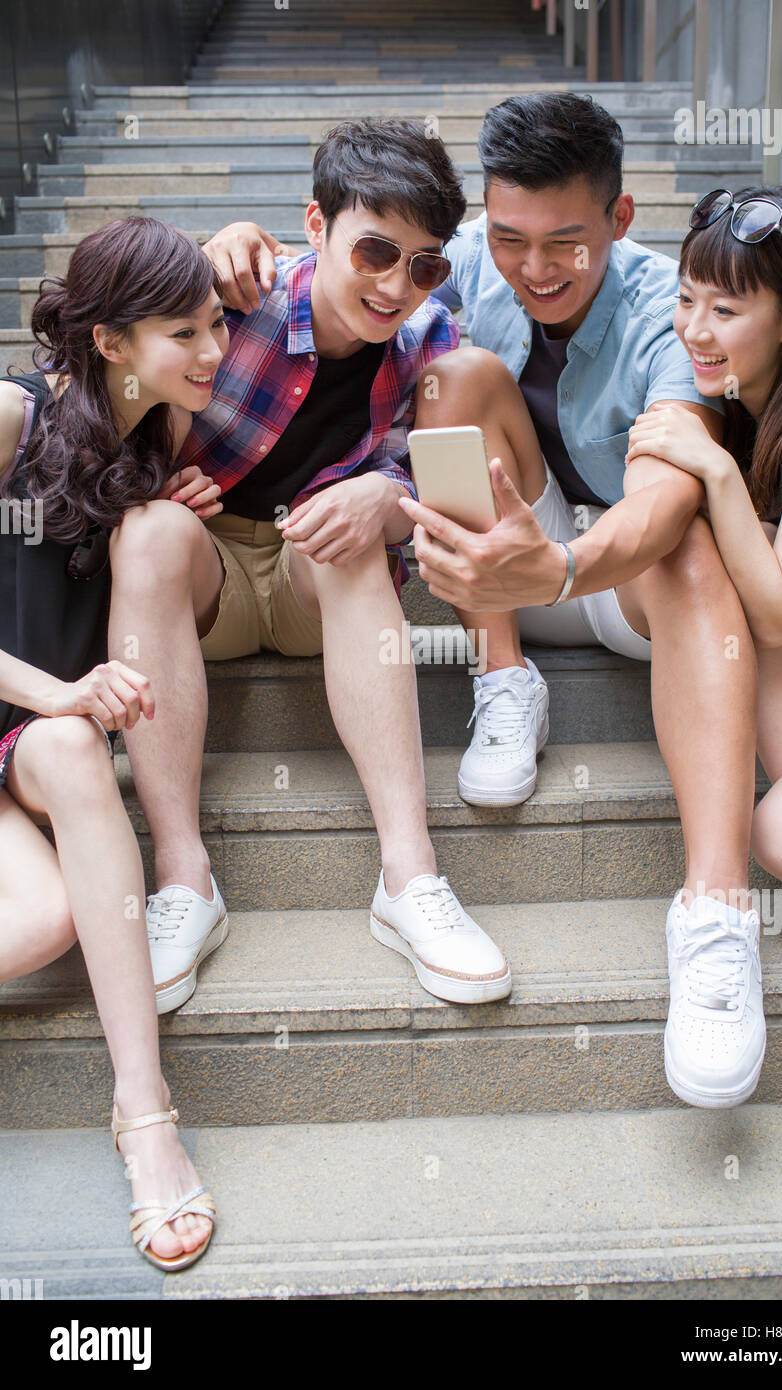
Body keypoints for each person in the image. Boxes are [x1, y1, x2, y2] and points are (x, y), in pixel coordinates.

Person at [199, 95, 767, 1111]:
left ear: (621, 217)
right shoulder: (452, 262)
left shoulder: (668, 307)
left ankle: (716, 915)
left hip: (608, 573)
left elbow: (663, 498)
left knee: (688, 550)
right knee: (455, 375)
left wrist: (558, 569)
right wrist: (231, 245)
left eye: (565, 242)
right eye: (508, 238)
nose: (534, 268)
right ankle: (506, 679)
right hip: (495, 566)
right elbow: (347, 252)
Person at [110, 118, 512, 1008]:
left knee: (358, 529)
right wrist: (146, 476)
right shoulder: (232, 299)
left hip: (312, 580)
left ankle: (409, 877)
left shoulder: (429, 337)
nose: (395, 285)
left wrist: (386, 496)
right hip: (205, 580)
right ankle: (185, 881)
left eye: (424, 264)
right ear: (316, 225)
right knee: (148, 532)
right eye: (375, 250)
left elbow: (444, 491)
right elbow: (105, 384)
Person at [0, 215, 227, 1269]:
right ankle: (148, 1124)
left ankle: (144, 1113)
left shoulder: (158, 433)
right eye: (186, 333)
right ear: (109, 340)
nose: (213, 351)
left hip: (35, 739)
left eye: (216, 324)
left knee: (72, 766)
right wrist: (61, 691)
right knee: (43, 911)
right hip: (28, 700)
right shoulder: (11, 415)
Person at [625, 185, 782, 971]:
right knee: (746, 548)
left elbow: (780, 613)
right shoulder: (739, 404)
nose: (696, 329)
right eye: (686, 300)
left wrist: (718, 473)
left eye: (726, 310)